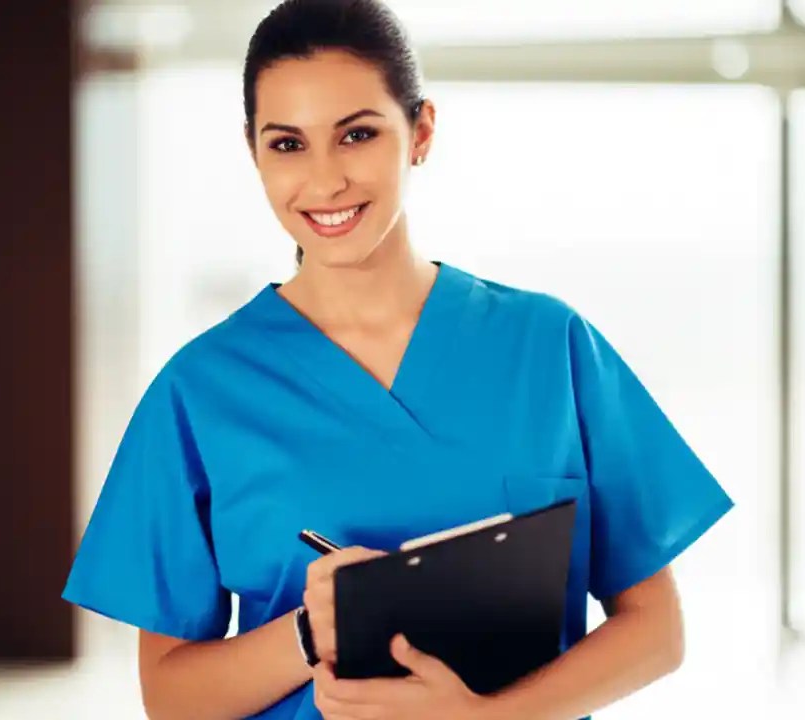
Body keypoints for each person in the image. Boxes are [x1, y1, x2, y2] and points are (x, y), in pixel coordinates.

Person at [61, 0, 734, 718]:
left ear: (420, 132)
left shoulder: (549, 345)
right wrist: (308, 631)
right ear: (254, 151)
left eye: (356, 134)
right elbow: (170, 697)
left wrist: (484, 719)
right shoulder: (200, 392)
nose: (324, 183)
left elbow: (657, 631)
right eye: (288, 144)